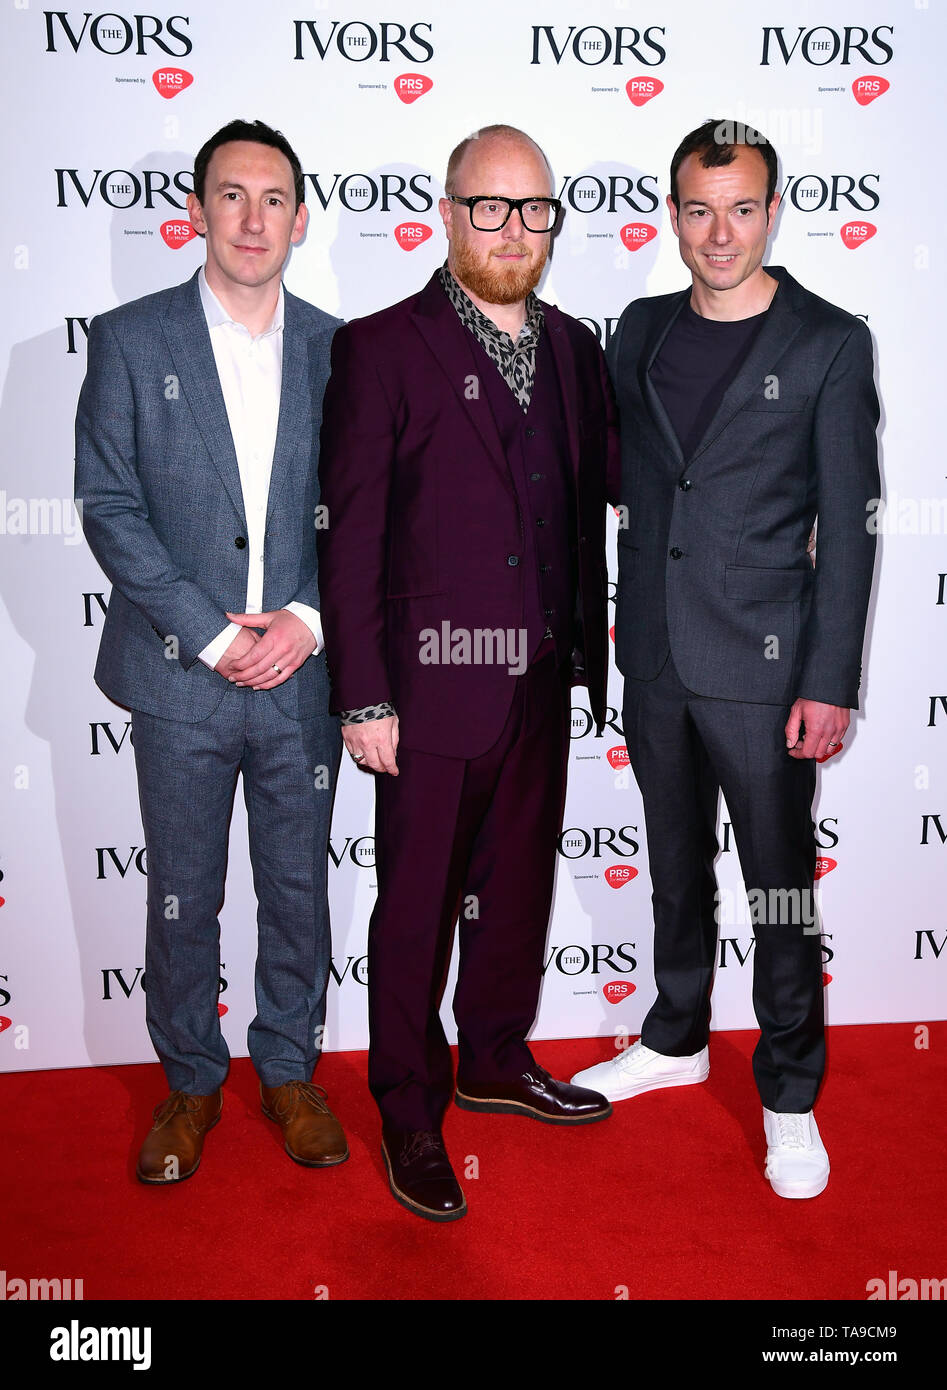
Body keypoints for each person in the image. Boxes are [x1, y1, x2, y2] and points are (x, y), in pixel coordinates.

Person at [572, 119, 880, 1200]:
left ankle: (788, 1092)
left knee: (780, 891)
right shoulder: (641, 329)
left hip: (763, 668)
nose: (717, 233)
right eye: (697, 210)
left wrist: (827, 678)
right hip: (652, 653)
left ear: (771, 211)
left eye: (739, 208)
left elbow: (848, 526)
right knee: (671, 872)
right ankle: (675, 1033)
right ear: (672, 213)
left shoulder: (827, 341)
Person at [318, 124, 619, 1222]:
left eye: (532, 208)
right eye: (488, 207)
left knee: (514, 892)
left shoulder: (580, 350)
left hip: (540, 681)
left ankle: (492, 1058)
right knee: (416, 909)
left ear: (551, 220)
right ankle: (407, 1106)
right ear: (445, 214)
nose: (511, 229)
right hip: (430, 693)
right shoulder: (381, 347)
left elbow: (611, 495)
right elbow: (348, 535)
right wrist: (361, 692)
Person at [75, 119, 347, 1183]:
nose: (250, 217)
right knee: (181, 888)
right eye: (229, 195)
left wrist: (308, 620)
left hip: (301, 676)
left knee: (295, 886)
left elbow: (368, 515)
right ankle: (189, 1084)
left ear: (299, 217)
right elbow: (108, 506)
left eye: (271, 197)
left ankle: (288, 1070)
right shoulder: (132, 339)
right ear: (196, 209)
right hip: (179, 675)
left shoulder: (343, 349)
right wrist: (205, 630)